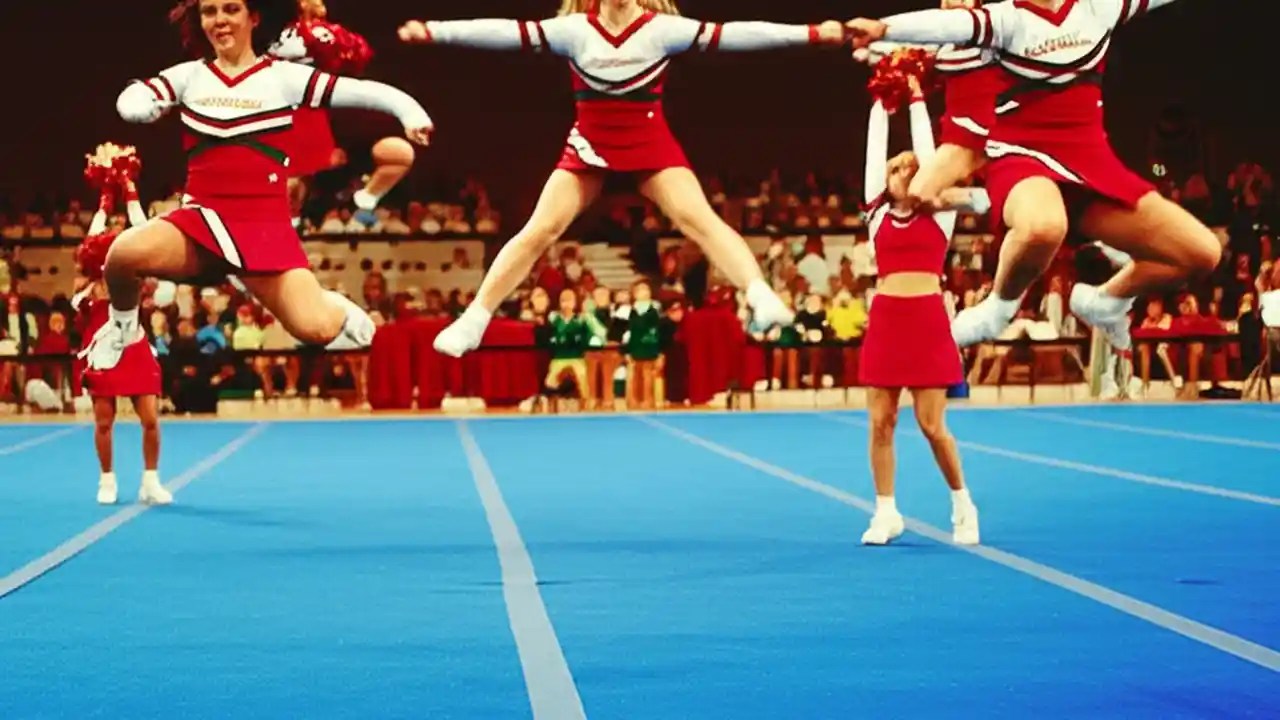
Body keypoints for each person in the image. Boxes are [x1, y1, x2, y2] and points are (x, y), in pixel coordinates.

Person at [397, 0, 849, 357]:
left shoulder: (661, 30)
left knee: (700, 220)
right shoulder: (574, 30)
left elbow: (736, 35)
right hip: (591, 145)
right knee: (540, 229)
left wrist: (810, 34)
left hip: (649, 141)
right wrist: (436, 30)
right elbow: (503, 33)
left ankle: (759, 294)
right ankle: (475, 319)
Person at [845, 0, 1220, 356]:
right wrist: (883, 29)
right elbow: (950, 25)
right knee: (1043, 225)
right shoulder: (1007, 19)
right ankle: (998, 307)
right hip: (1022, 154)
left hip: (1091, 160)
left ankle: (1104, 301)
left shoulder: (1097, 8)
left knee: (1201, 253)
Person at [83, 0, 432, 373]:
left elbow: (365, 92)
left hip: (262, 231)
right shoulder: (189, 75)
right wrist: (135, 103)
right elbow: (137, 95)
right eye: (210, 11)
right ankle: (121, 332)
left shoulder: (283, 77)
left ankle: (335, 307)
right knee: (121, 255)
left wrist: (411, 113)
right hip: (201, 222)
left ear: (254, 18)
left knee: (315, 328)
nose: (219, 20)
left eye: (231, 9)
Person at [857, 75, 982, 546]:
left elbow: (930, 156)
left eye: (912, 172)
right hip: (888, 321)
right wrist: (880, 104)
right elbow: (872, 156)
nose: (904, 177)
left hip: (928, 322)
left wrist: (915, 98)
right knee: (880, 421)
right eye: (897, 172)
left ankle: (961, 501)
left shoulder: (939, 216)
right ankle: (885, 511)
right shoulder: (876, 216)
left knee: (932, 425)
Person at [73, 161, 171, 506]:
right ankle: (107, 479)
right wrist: (104, 199)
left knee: (150, 418)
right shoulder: (92, 277)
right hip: (102, 346)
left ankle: (151, 480)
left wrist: (130, 191)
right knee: (104, 421)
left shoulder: (135, 266)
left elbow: (147, 235)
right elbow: (90, 240)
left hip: (135, 344)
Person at [268, 0, 416, 228]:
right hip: (294, 138)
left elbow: (360, 55)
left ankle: (362, 203)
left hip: (335, 138)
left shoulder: (327, 40)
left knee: (399, 153)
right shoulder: (269, 41)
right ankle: (291, 226)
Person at [854, 0, 999, 202]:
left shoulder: (996, 29)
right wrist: (876, 48)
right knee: (920, 194)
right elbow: (912, 39)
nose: (955, 3)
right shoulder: (939, 46)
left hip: (1000, 132)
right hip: (962, 136)